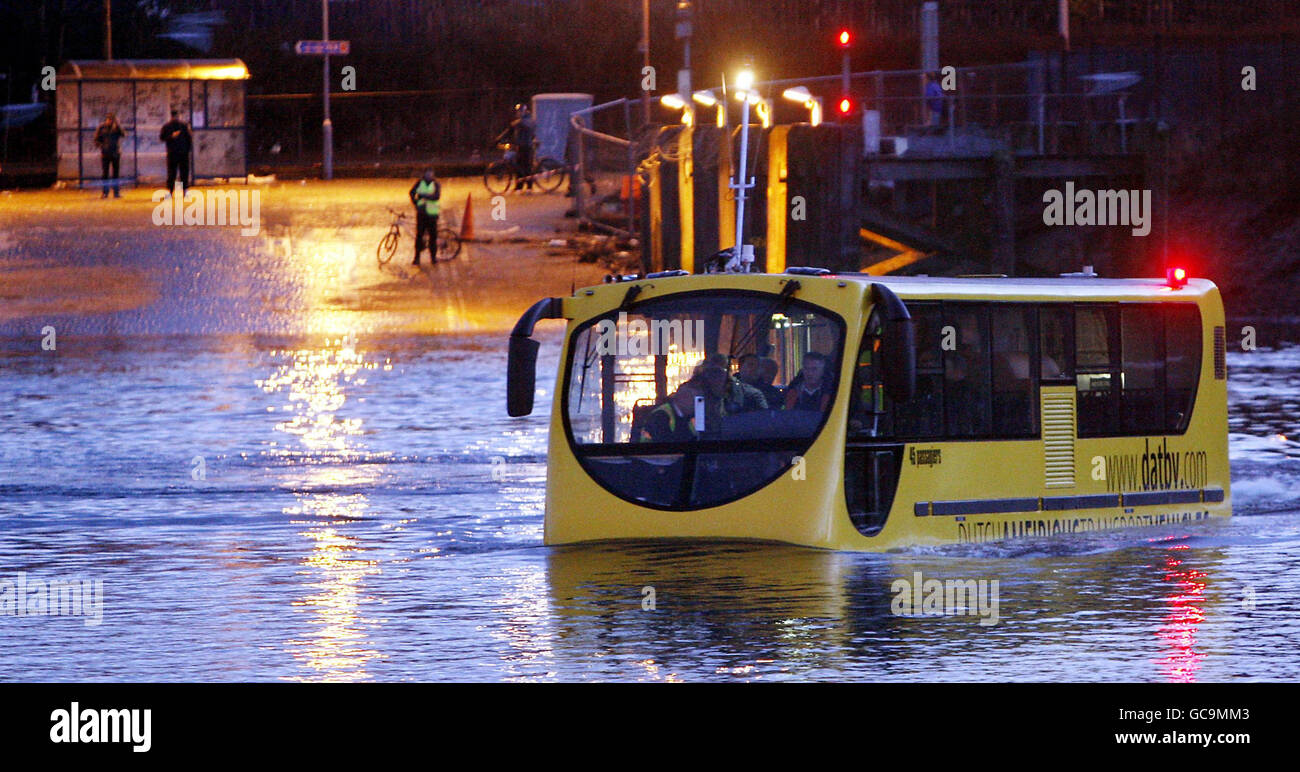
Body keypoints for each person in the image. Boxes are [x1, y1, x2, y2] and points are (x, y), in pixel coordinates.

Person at [494, 103, 536, 192]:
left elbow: (526, 125)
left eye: (520, 111)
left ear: (524, 111)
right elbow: (509, 131)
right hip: (519, 146)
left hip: (527, 146)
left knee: (526, 166)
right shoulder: (519, 121)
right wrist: (499, 139)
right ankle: (519, 186)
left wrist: (518, 123)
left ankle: (529, 187)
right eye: (517, 112)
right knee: (518, 166)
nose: (518, 113)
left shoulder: (528, 120)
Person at [408, 168, 442, 265]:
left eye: (430, 174)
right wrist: (415, 203)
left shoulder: (436, 184)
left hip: (432, 214)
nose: (429, 176)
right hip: (422, 213)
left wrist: (423, 196)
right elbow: (411, 192)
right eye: (427, 174)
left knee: (433, 237)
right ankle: (417, 258)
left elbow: (437, 196)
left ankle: (433, 257)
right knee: (419, 236)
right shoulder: (419, 183)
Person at [159, 110, 193, 195]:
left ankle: (171, 191)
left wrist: (170, 137)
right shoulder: (184, 126)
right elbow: (189, 139)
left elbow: (162, 138)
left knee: (172, 173)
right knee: (183, 172)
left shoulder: (167, 126)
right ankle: (184, 190)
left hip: (172, 153)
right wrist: (188, 150)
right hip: (182, 153)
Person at [93, 113, 126, 199]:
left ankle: (116, 192)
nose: (110, 121)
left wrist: (118, 126)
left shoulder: (116, 128)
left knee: (116, 174)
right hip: (105, 154)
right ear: (106, 120)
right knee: (105, 174)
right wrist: (102, 146)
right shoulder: (101, 128)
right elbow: (96, 140)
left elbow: (123, 134)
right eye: (109, 120)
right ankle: (105, 192)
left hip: (115, 153)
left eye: (112, 120)